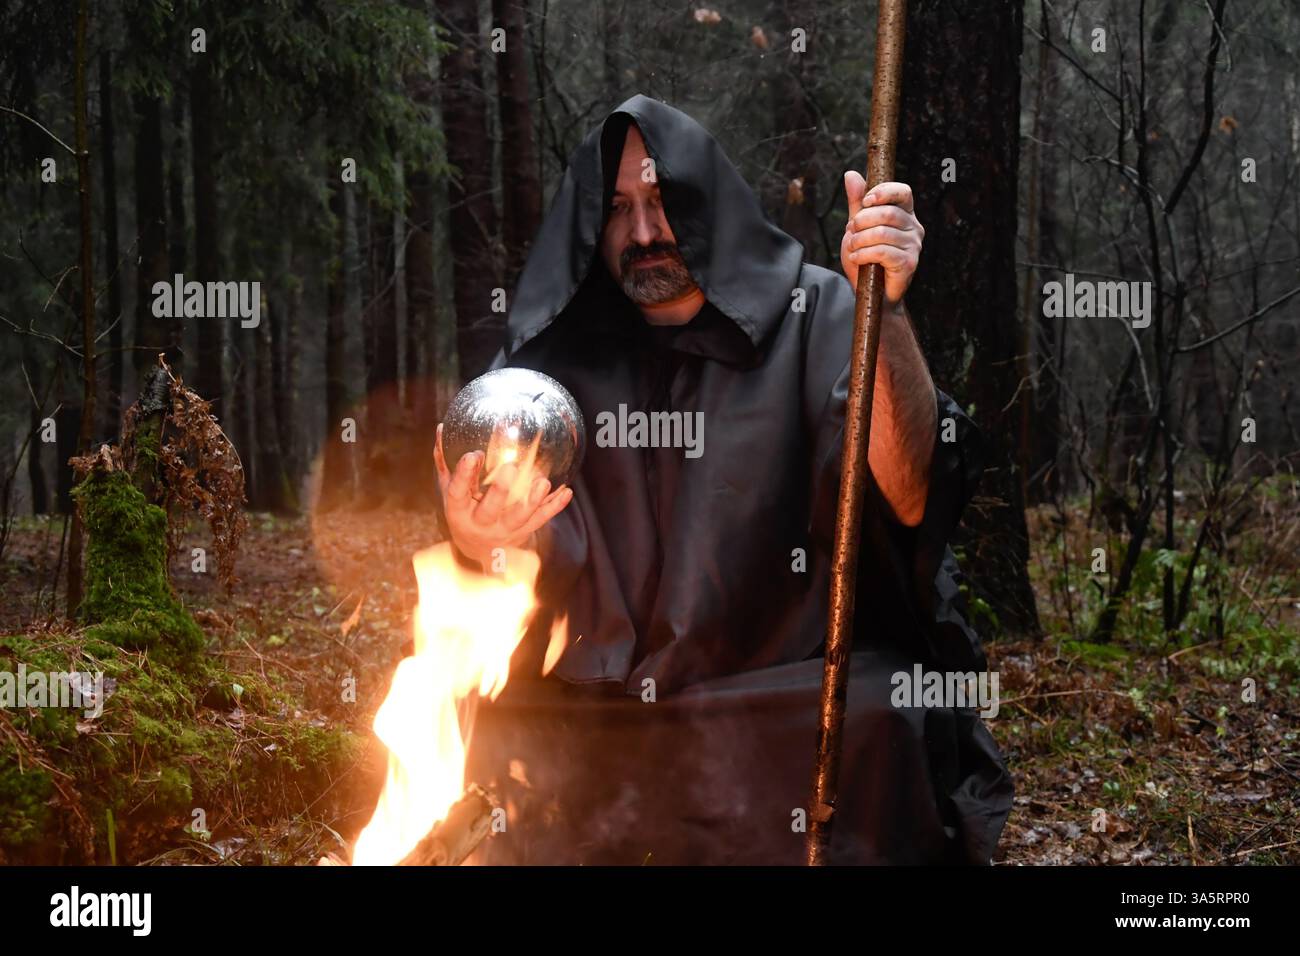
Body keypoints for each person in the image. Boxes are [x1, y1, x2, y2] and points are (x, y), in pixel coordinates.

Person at [436, 94, 1012, 865]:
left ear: (709, 200)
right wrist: (477, 540)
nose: (643, 233)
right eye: (618, 209)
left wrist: (888, 306)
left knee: (877, 714)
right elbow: (523, 561)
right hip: (599, 713)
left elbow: (910, 492)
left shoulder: (822, 311)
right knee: (496, 726)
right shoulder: (555, 361)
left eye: (663, 200)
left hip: (771, 697)